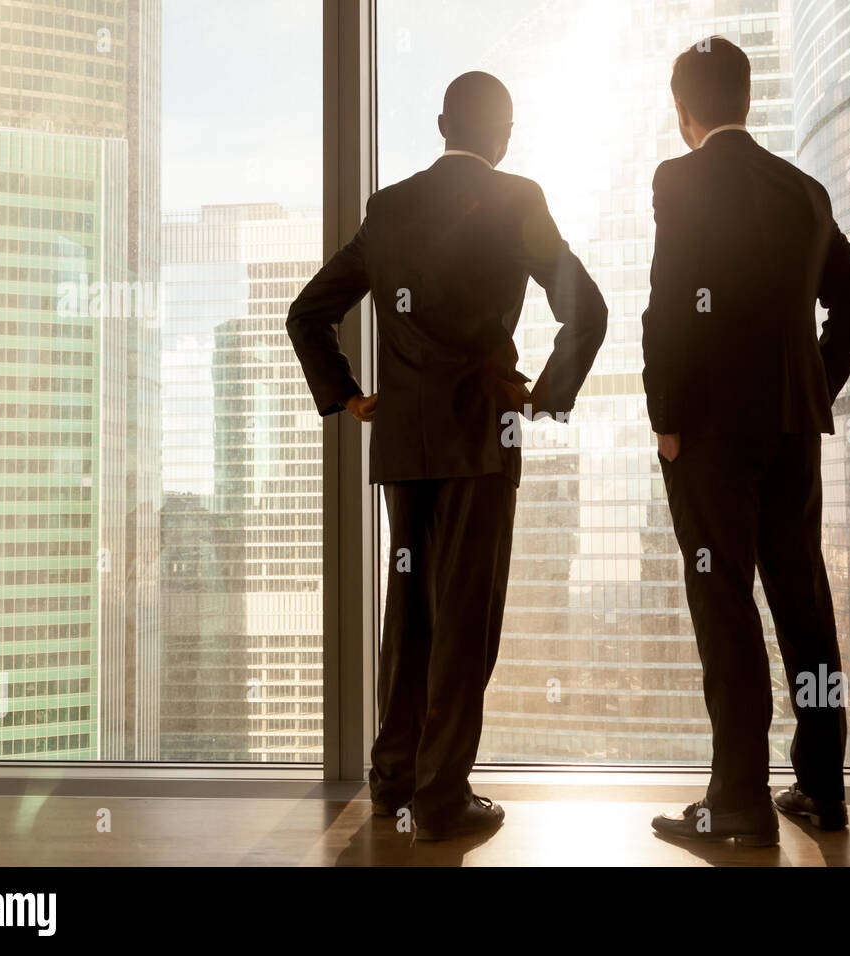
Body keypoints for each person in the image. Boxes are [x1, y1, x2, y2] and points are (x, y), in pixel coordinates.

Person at [287, 71, 606, 841]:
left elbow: (307, 314)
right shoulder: (518, 198)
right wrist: (544, 397)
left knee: (412, 610)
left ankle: (393, 777)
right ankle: (440, 800)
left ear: (440, 125)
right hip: (482, 433)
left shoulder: (389, 208)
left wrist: (350, 396)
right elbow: (586, 309)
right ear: (503, 134)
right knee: (465, 616)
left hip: (406, 441)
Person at [644, 37, 850, 846]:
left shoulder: (681, 178)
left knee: (725, 605)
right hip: (791, 427)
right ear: (746, 99)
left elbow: (669, 303)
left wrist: (665, 418)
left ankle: (737, 804)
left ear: (684, 111)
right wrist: (810, 384)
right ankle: (821, 790)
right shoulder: (803, 191)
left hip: (708, 429)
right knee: (803, 601)